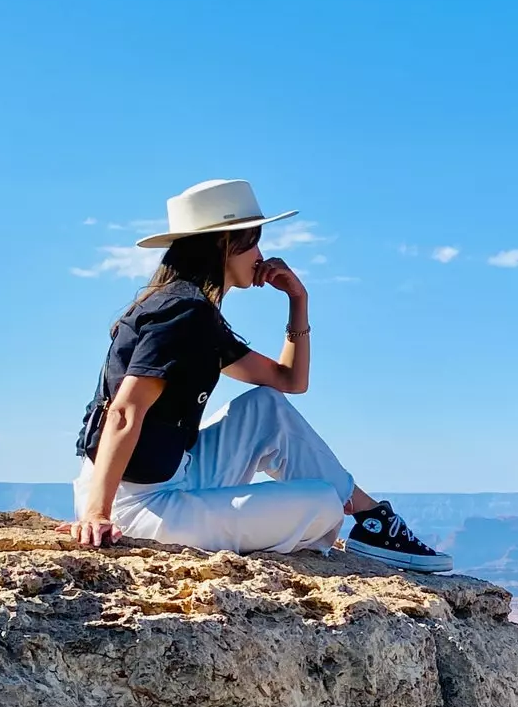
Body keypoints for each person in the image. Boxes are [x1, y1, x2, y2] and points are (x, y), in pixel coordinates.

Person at [67, 178, 450, 569]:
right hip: (141, 505)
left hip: (173, 476)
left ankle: (371, 519)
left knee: (264, 405)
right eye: (253, 239)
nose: (260, 253)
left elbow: (289, 381)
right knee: (322, 503)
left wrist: (298, 301)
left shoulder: (196, 314)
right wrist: (97, 514)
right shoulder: (184, 313)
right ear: (224, 243)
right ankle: (368, 520)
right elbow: (125, 411)